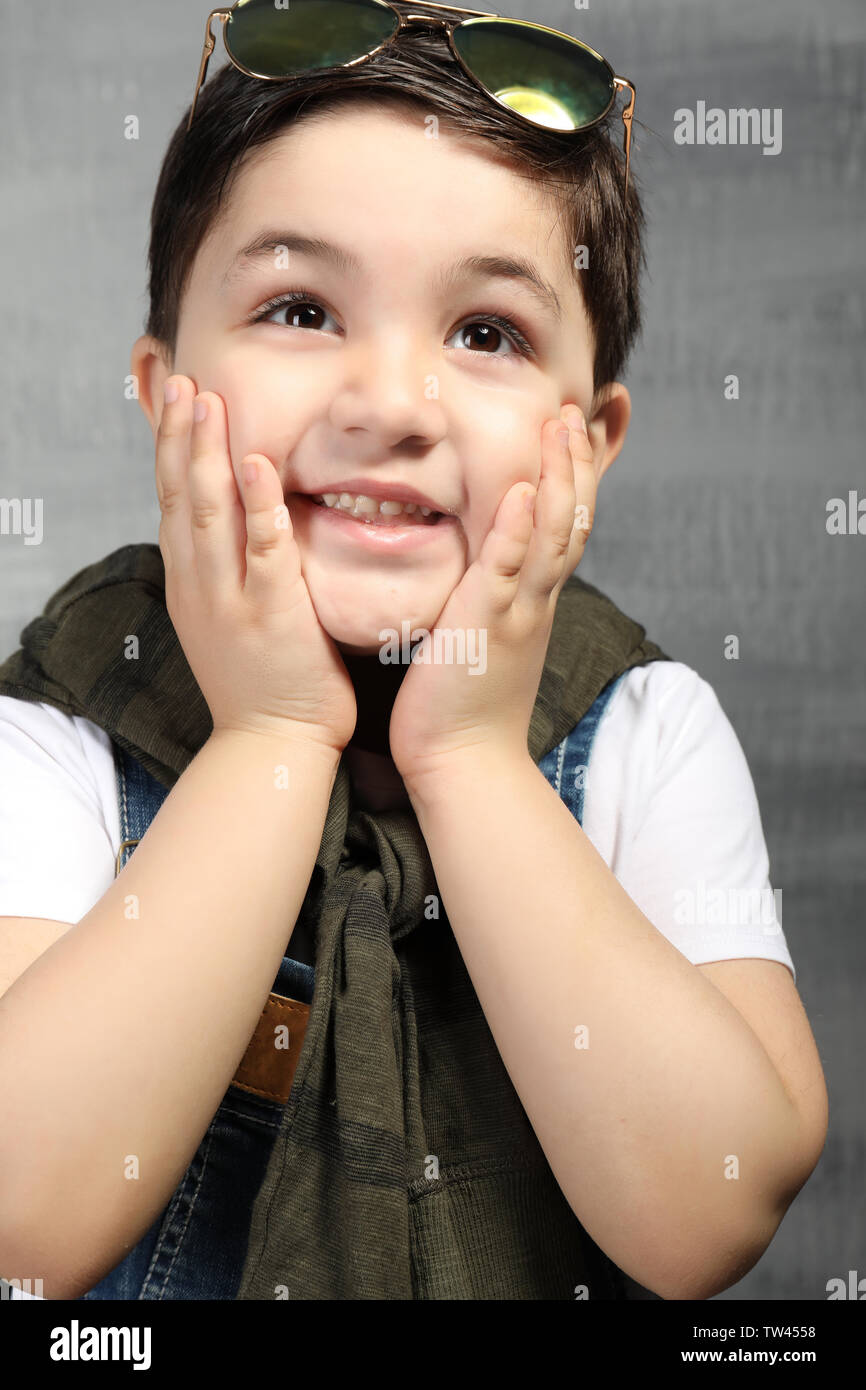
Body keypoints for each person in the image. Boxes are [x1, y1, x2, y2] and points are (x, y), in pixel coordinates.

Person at [0, 3, 827, 1301]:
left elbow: (708, 1210)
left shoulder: (642, 729)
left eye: (485, 333)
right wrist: (271, 737)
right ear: (165, 397)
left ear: (592, 437)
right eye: (298, 307)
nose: (389, 403)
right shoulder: (58, 739)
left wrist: (475, 761)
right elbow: (25, 1207)